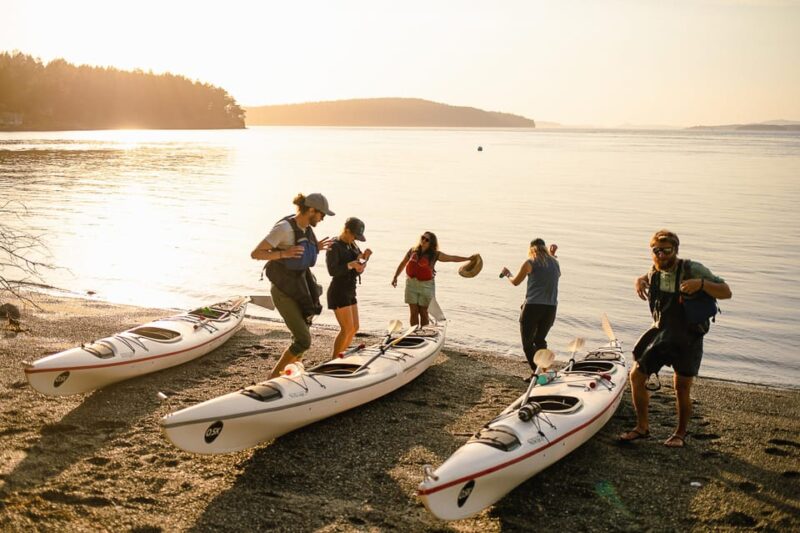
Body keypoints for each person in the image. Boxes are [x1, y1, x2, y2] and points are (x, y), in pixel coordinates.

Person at [620, 230, 731, 448]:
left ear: (675, 250)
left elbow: (726, 292)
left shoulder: (692, 269)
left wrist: (701, 284)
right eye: (656, 251)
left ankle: (679, 434)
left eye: (666, 251)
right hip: (662, 333)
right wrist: (639, 280)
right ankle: (642, 427)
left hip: (688, 336)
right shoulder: (655, 270)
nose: (661, 255)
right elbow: (649, 275)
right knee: (636, 376)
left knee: (681, 387)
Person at [250, 193, 334, 378]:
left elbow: (302, 251)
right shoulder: (284, 228)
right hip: (283, 290)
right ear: (311, 210)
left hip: (300, 286)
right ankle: (273, 378)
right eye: (322, 214)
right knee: (304, 340)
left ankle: (292, 374)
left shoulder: (305, 228)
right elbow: (256, 253)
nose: (322, 218)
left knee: (304, 329)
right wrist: (283, 254)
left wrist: (316, 247)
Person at [501, 238, 560, 382]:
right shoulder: (555, 263)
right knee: (540, 340)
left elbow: (516, 282)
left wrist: (508, 274)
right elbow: (553, 274)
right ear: (544, 248)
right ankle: (545, 371)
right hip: (550, 308)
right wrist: (552, 255)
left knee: (527, 344)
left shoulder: (530, 262)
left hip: (533, 307)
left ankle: (538, 373)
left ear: (531, 249)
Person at [391, 232, 476, 327]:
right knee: (413, 311)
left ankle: (424, 332)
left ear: (431, 243)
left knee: (423, 312)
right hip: (411, 284)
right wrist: (395, 277)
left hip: (426, 286)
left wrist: (468, 258)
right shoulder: (412, 250)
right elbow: (403, 263)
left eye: (427, 240)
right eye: (423, 237)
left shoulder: (435, 254)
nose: (423, 240)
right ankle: (414, 332)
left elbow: (451, 258)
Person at [326, 217, 372, 358]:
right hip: (339, 290)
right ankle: (333, 360)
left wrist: (364, 259)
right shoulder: (334, 245)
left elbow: (359, 268)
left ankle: (340, 357)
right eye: (354, 235)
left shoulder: (353, 245)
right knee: (346, 329)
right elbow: (332, 271)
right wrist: (350, 264)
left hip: (350, 289)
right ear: (346, 230)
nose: (355, 239)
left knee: (354, 328)